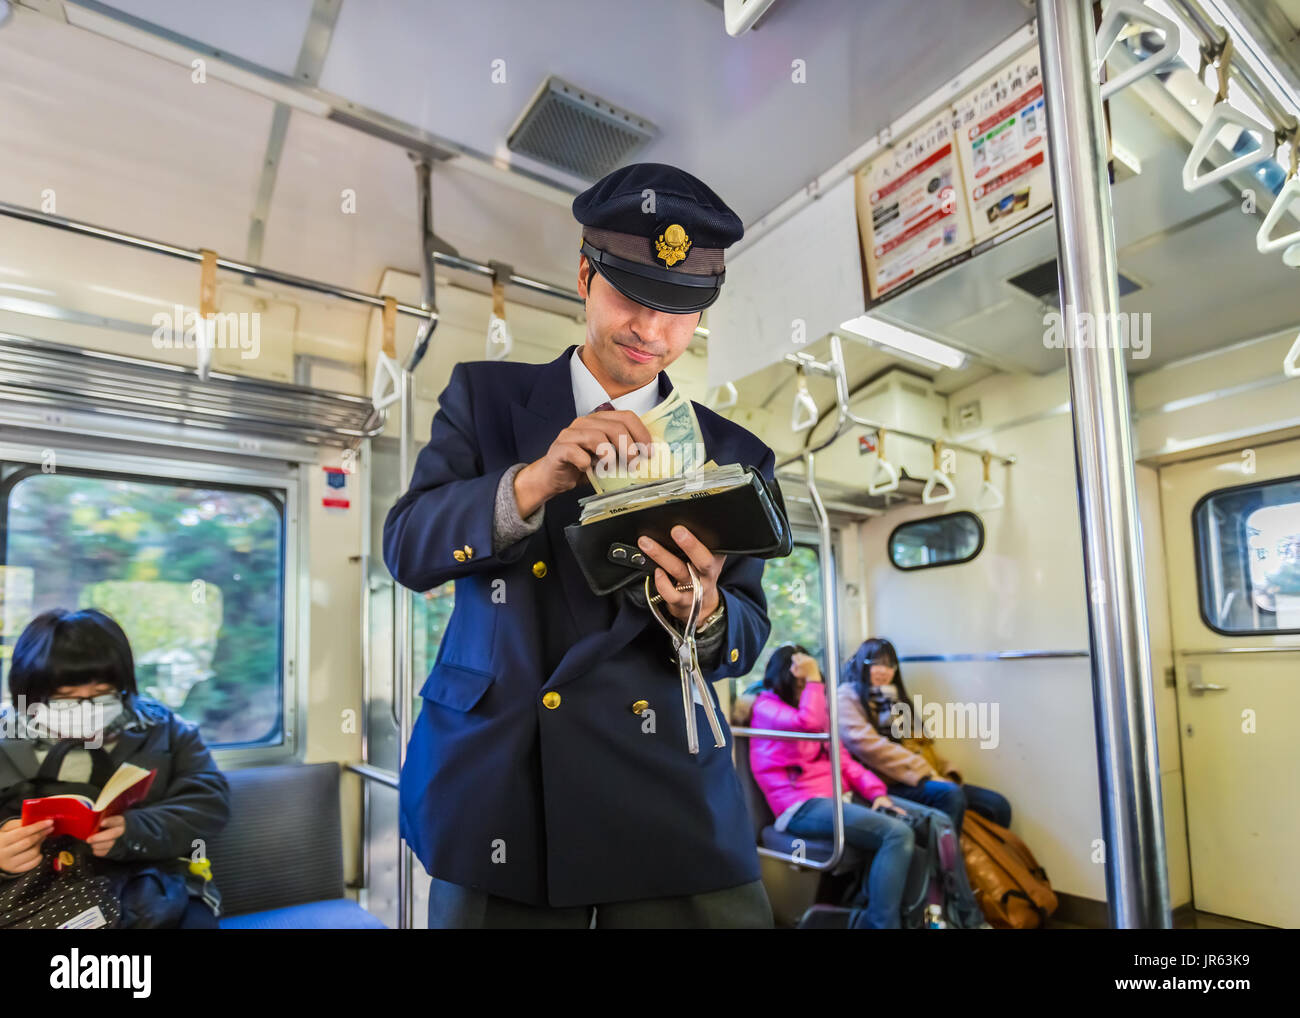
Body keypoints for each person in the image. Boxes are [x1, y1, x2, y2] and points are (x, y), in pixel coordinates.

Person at [384, 162, 786, 928]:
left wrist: (701, 614)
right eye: (632, 297)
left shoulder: (735, 454)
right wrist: (529, 484)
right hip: (505, 777)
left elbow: (747, 632)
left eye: (680, 311)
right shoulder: (487, 400)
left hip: (664, 782)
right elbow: (408, 548)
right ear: (582, 275)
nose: (651, 331)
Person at [0, 608, 230, 928]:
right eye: (63, 697)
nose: (83, 709)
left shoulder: (164, 729)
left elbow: (209, 804)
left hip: (152, 887)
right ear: (28, 694)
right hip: (34, 897)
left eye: (100, 695)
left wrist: (136, 830)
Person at [745, 643, 955, 929]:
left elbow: (844, 761)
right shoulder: (767, 707)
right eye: (803, 681)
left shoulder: (816, 707)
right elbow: (807, 722)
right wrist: (815, 682)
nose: (808, 686)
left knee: (919, 837)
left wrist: (877, 794)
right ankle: (881, 925)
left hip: (838, 798)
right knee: (896, 834)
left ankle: (912, 920)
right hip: (799, 805)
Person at [839, 637, 1011, 832]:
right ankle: (946, 860)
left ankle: (987, 859)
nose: (883, 671)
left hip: (916, 774)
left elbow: (920, 745)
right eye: (876, 664)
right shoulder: (846, 698)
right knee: (950, 795)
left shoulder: (894, 698)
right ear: (862, 664)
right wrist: (926, 773)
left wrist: (945, 772)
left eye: (889, 665)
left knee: (997, 805)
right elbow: (870, 747)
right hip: (886, 780)